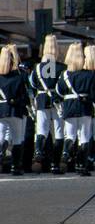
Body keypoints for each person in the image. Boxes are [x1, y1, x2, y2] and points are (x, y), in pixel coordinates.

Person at [57, 43, 95, 177]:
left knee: (70, 135)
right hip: (84, 107)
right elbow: (93, 94)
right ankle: (81, 165)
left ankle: (65, 153)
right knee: (84, 137)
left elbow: (59, 91)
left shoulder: (64, 75)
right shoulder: (89, 75)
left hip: (69, 106)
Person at [29, 34, 64, 173]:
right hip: (56, 101)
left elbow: (32, 84)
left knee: (41, 130)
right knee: (59, 132)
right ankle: (55, 163)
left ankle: (38, 151)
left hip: (42, 99)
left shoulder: (37, 68)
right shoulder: (61, 67)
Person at [0, 45, 29, 175]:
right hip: (15, 110)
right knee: (17, 139)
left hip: (1, 110)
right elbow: (23, 96)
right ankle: (16, 166)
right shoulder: (18, 76)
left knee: (0, 137)